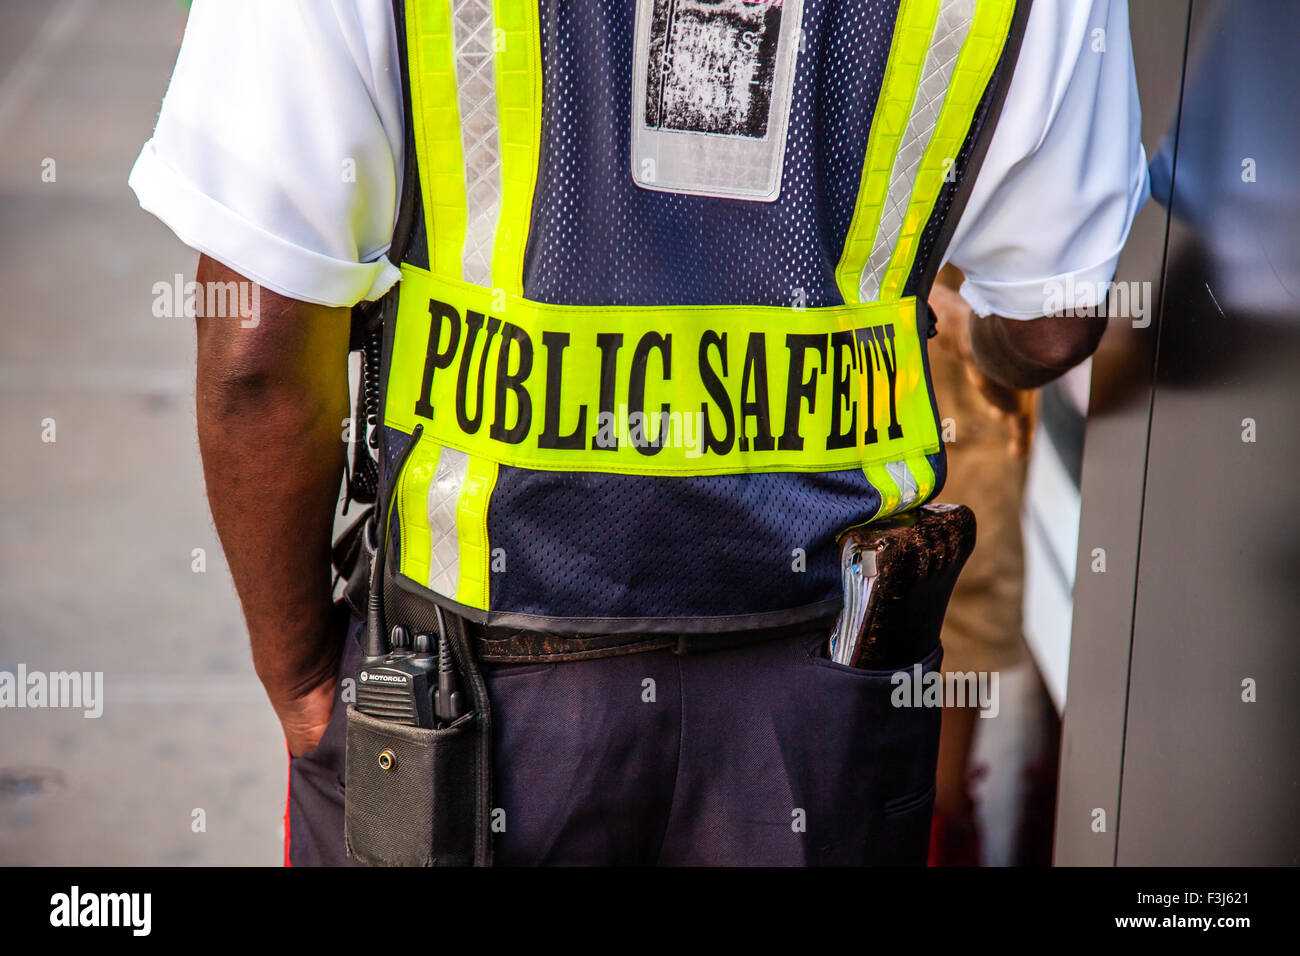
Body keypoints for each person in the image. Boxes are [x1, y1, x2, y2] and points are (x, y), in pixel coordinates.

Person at [129, 0, 1146, 866]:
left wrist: (303, 676)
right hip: (822, 692)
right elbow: (1050, 315)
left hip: (471, 705)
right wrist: (967, 332)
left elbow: (258, 353)